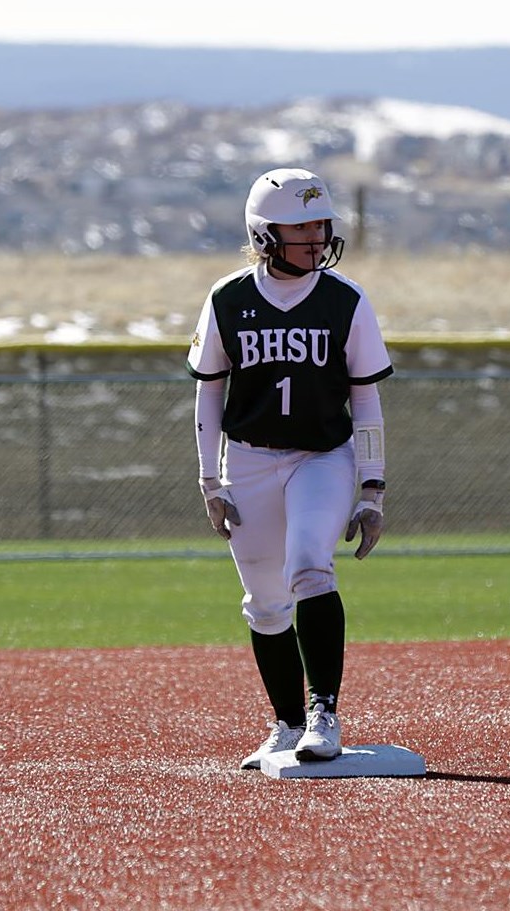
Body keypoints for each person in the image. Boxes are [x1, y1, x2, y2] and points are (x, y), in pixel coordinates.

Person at [185, 167, 394, 769]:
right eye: (300, 226)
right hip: (247, 458)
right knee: (266, 602)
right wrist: (210, 479)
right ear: (264, 231)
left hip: (321, 456)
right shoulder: (228, 297)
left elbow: (366, 398)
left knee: (309, 565)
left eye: (320, 223)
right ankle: (286, 724)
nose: (315, 236)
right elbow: (208, 393)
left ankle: (323, 709)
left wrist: (373, 488)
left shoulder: (345, 299)